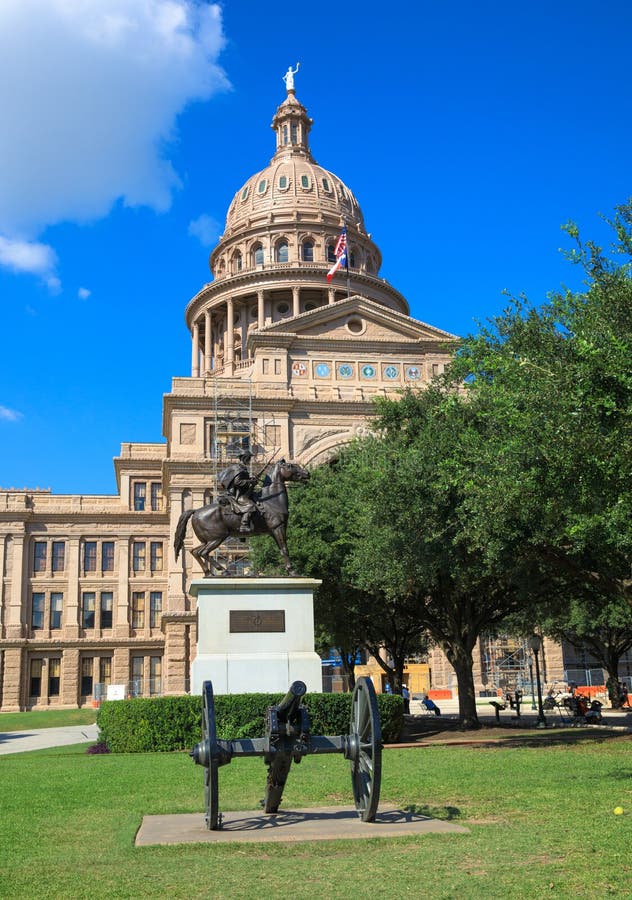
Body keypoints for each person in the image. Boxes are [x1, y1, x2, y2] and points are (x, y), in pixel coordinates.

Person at [217, 450, 258, 533]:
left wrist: (251, 479)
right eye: (249, 458)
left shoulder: (242, 468)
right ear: (244, 458)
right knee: (250, 505)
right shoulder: (239, 468)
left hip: (243, 492)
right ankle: (244, 525)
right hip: (238, 495)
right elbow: (237, 482)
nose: (250, 460)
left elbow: (243, 480)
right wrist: (250, 482)